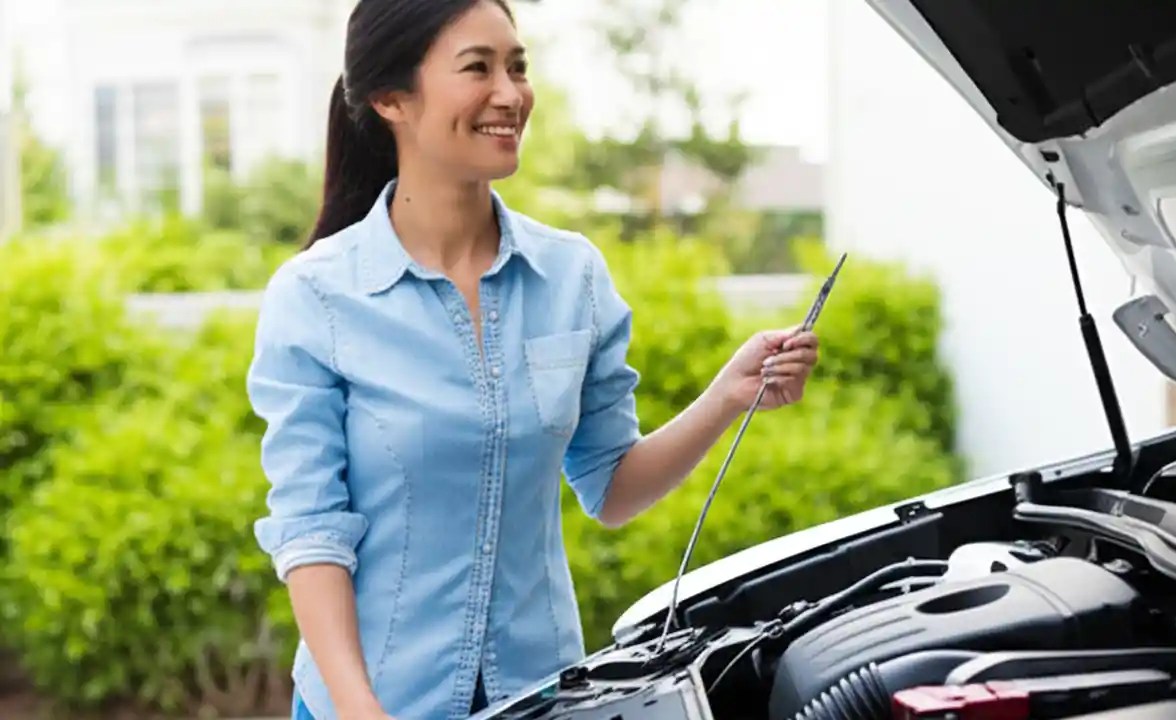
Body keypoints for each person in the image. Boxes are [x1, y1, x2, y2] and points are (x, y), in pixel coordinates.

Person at [245, 1, 822, 718]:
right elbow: (313, 534)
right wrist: (363, 710)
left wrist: (726, 397)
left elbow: (611, 487)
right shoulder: (318, 297)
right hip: (376, 703)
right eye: (477, 68)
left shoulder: (571, 277)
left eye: (517, 67)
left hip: (540, 698)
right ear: (391, 98)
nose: (511, 94)